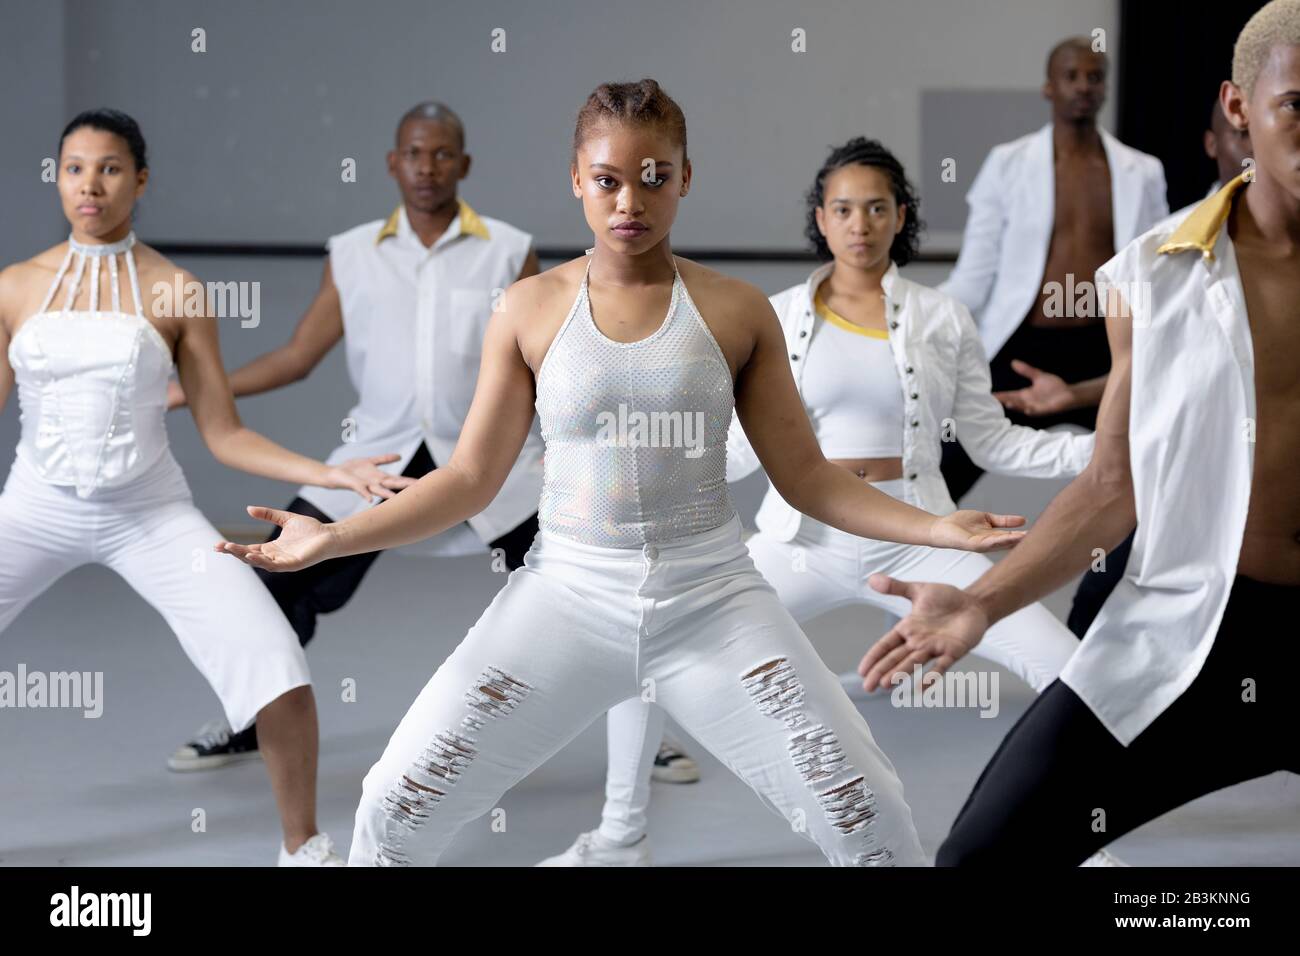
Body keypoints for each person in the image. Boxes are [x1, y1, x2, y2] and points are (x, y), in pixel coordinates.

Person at [218, 79, 1032, 868]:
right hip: (567, 599)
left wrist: (934, 525)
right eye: (607, 181)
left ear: (684, 178)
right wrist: (332, 538)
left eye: (653, 178)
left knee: (875, 821)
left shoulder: (736, 309)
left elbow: (809, 479)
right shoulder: (530, 308)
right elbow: (468, 479)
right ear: (577, 180)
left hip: (712, 603)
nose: (629, 203)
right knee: (394, 811)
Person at [539, 137, 1094, 867]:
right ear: (821, 220)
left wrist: (1106, 450)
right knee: (640, 649)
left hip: (920, 533)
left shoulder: (942, 317)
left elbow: (992, 442)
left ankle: (1080, 844)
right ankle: (619, 837)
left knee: (1074, 671)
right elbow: (735, 447)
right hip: (801, 538)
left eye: (876, 207)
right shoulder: (774, 314)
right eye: (842, 209)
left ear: (901, 217)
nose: (859, 224)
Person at [858, 0, 1300, 866]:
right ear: (1239, 109)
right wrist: (979, 602)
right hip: (1203, 627)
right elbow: (1109, 486)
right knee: (983, 857)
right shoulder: (1159, 274)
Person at [0, 109, 405, 865]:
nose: (91, 183)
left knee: (274, 658)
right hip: (32, 509)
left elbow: (224, 433)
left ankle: (304, 848)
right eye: (75, 167)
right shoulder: (13, 287)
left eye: (111, 167)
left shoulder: (177, 290)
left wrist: (331, 473)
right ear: (57, 178)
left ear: (140, 180)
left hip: (148, 515)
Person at [166, 102, 548, 772]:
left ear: (464, 164)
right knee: (270, 579)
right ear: (391, 163)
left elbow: (543, 360)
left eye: (441, 154)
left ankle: (644, 738)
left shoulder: (510, 250)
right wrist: (196, 390)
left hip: (495, 459)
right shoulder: (352, 253)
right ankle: (248, 719)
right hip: (374, 459)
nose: (426, 168)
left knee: (587, 579)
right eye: (413, 153)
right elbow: (296, 356)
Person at [938, 36, 1168, 504]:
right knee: (947, 466)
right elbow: (974, 275)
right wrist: (904, 314)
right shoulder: (1007, 164)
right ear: (1049, 87)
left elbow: (1155, 273)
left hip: (1105, 346)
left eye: (1095, 76)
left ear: (1105, 88)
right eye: (1071, 76)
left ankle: (1129, 575)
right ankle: (905, 559)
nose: (1084, 85)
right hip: (1025, 344)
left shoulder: (1141, 171)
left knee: (1146, 472)